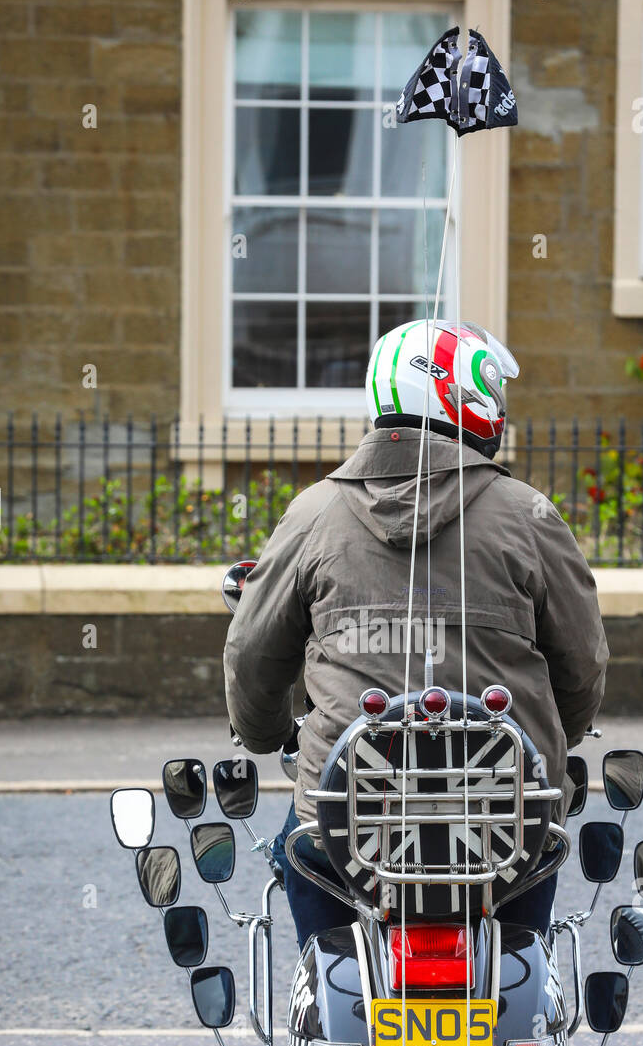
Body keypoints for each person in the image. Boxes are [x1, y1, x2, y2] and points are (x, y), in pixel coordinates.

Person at [225, 319, 609, 949]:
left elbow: (252, 655)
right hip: (503, 826)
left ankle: (324, 1023)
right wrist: (550, 749)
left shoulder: (312, 515)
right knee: (522, 970)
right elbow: (583, 663)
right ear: (462, 398)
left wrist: (266, 734)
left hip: (352, 830)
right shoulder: (530, 515)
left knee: (307, 882)